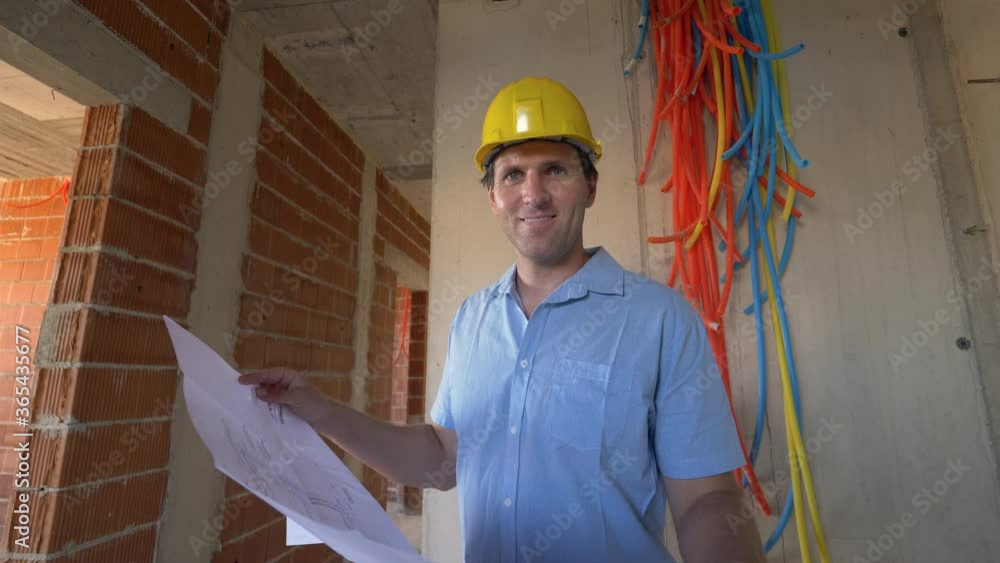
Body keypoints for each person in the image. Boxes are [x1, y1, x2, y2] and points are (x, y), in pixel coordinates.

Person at [239, 76, 766, 563]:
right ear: (493, 197)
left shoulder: (660, 319)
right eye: (513, 174)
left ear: (590, 186)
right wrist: (319, 411)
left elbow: (709, 500)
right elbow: (442, 460)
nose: (532, 195)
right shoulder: (472, 318)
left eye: (555, 170)